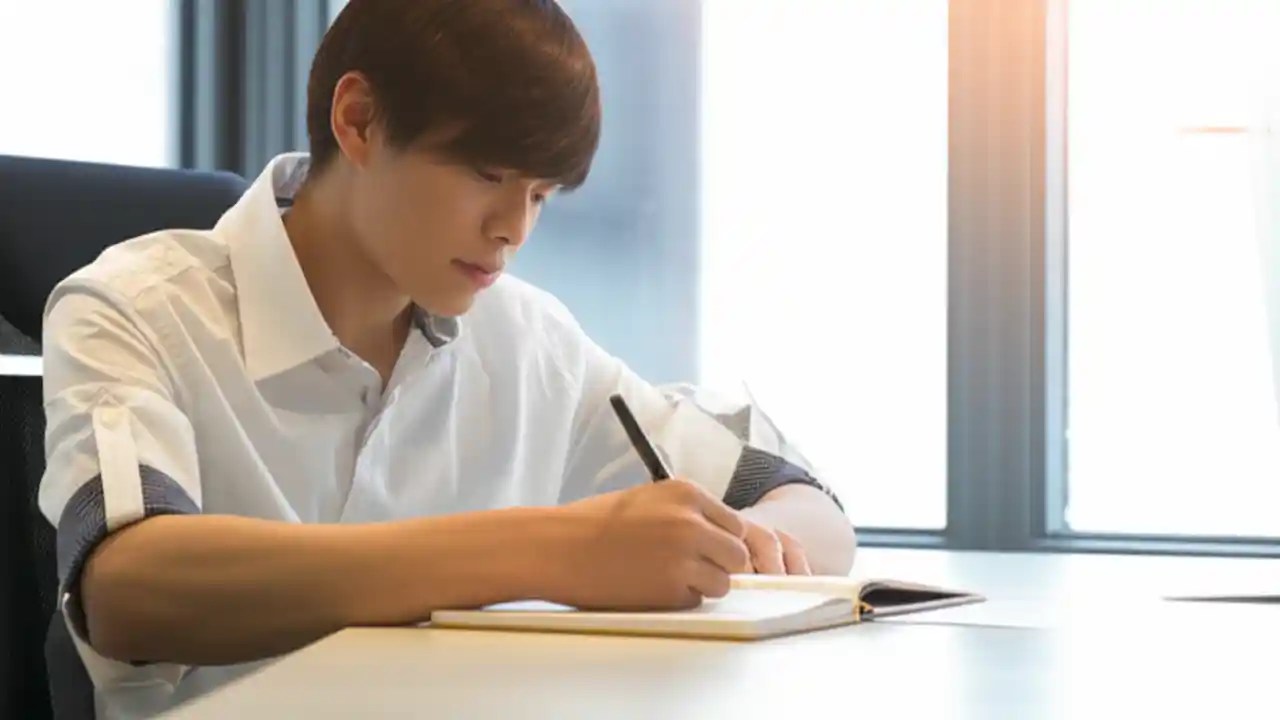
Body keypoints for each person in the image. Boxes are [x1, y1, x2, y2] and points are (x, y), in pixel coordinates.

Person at [39, 0, 856, 716]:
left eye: (540, 194)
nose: (515, 229)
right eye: (486, 174)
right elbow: (125, 588)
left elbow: (799, 500)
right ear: (357, 120)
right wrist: (551, 550)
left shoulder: (531, 341)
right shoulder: (133, 308)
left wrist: (747, 547)